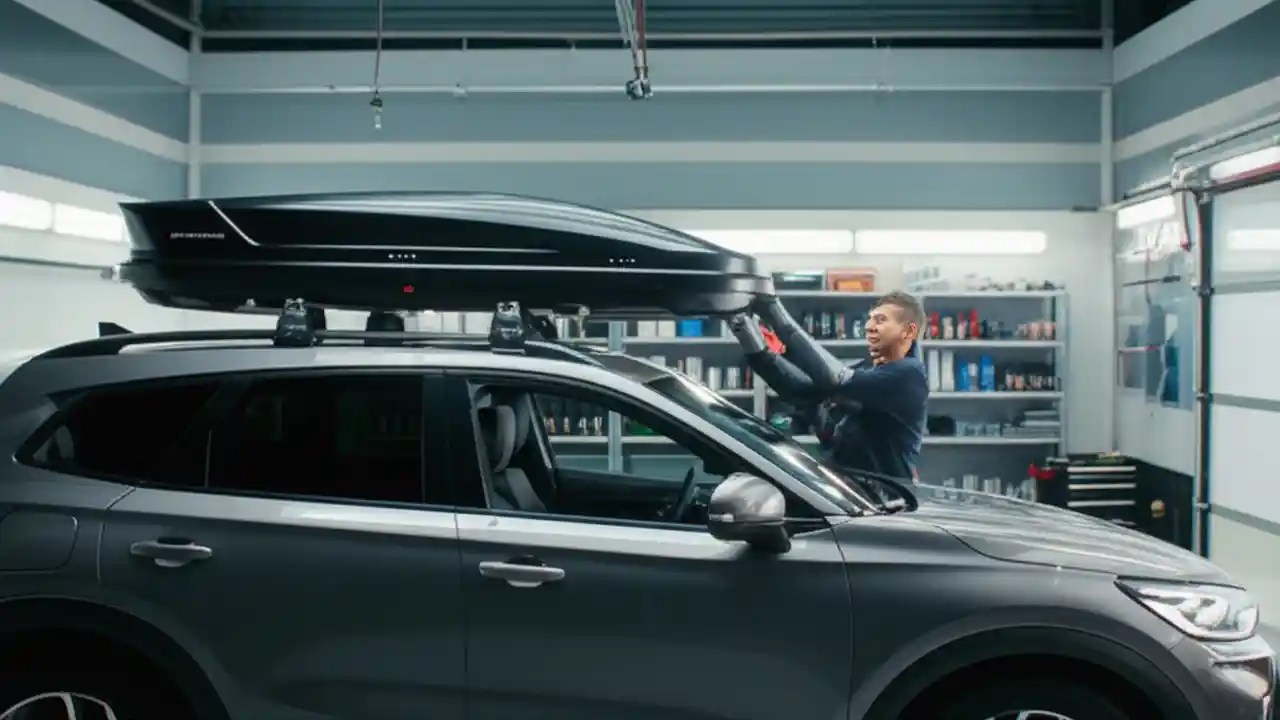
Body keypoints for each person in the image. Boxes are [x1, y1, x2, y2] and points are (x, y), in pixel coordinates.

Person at [729, 291, 929, 481]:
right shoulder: (870, 367)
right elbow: (799, 390)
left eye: (881, 320)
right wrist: (748, 336)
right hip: (851, 488)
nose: (869, 326)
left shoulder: (909, 374)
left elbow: (835, 378)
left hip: (887, 498)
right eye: (870, 319)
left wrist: (772, 309)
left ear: (909, 331)